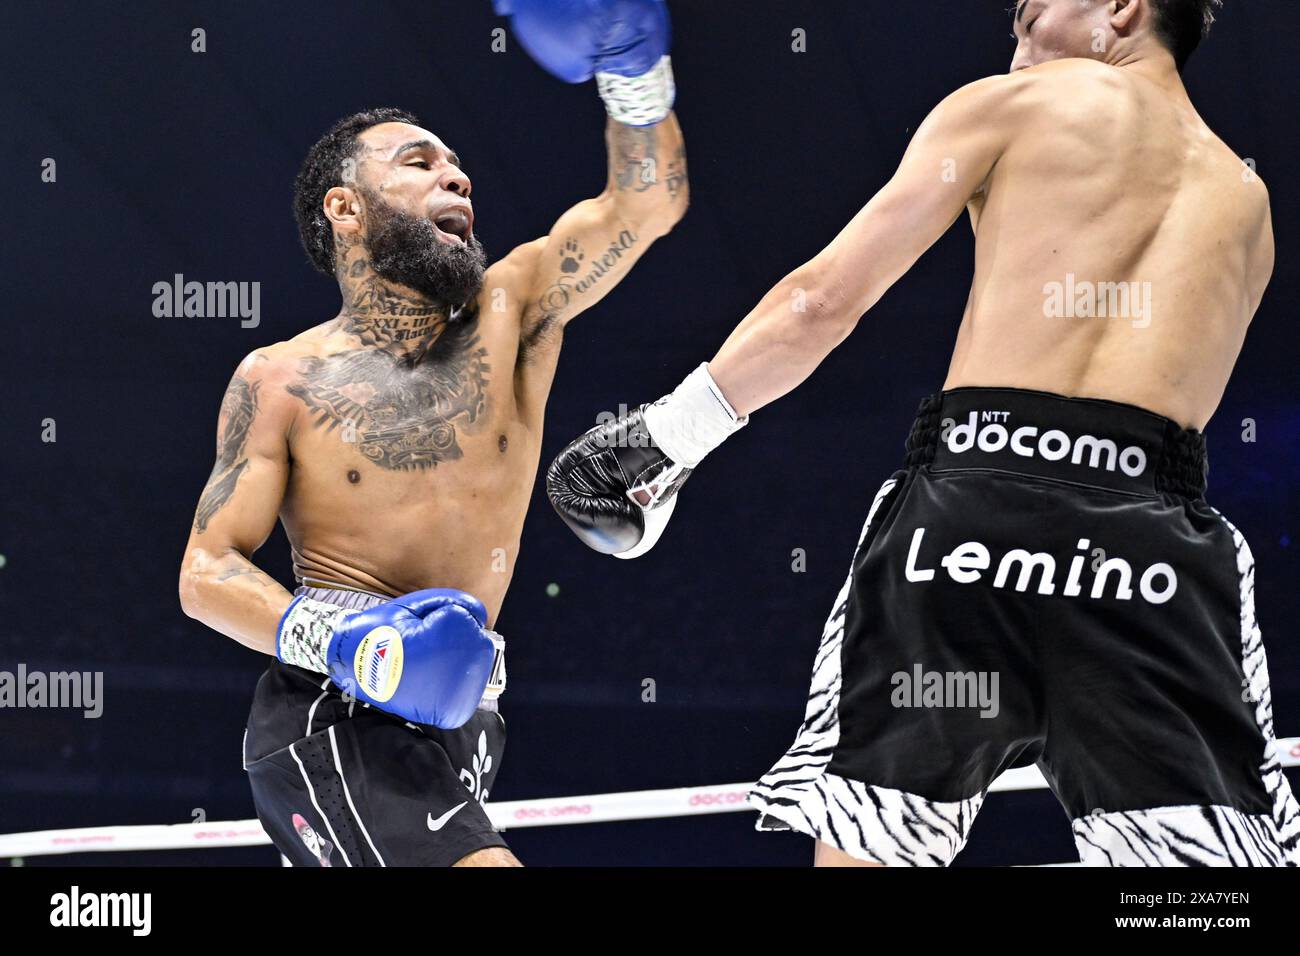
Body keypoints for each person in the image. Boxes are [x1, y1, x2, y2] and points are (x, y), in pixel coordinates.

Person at [546, 0, 1299, 866]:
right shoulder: (1248, 204)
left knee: (873, 848)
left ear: (1122, 8)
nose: (1017, 10)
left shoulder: (1011, 105)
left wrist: (662, 440)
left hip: (967, 534)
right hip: (1155, 564)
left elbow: (820, 304)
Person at [178, 0, 687, 867]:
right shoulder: (280, 379)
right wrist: (351, 645)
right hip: (334, 712)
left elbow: (645, 206)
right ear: (346, 207)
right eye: (420, 163)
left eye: (459, 167)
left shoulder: (513, 310)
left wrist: (633, 68)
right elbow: (206, 571)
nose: (457, 178)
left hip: (468, 719)